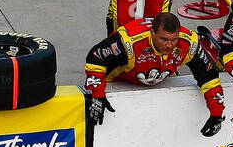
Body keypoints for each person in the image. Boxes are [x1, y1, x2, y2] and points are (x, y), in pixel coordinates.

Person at [84, 12, 224, 133]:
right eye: (163, 39)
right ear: (152, 33)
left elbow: (209, 77)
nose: (169, 45)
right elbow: (95, 57)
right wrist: (96, 94)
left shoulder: (189, 43)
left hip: (158, 76)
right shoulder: (129, 41)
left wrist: (216, 114)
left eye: (174, 39)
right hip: (119, 82)